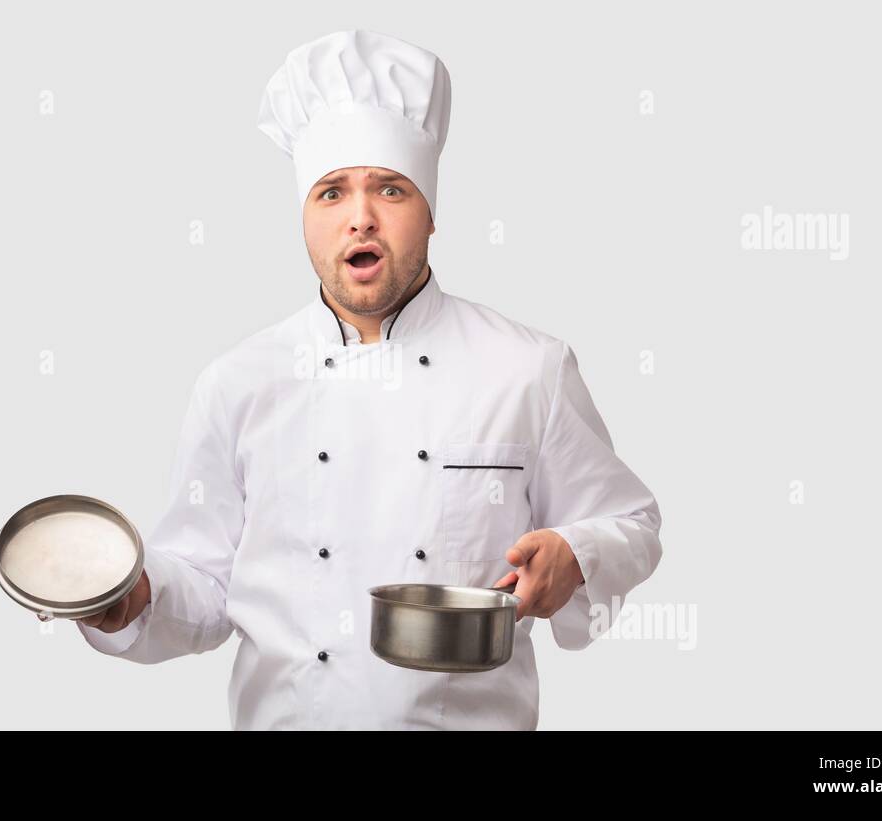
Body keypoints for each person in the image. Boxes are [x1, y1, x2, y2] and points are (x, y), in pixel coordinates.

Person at [76, 29, 663, 730]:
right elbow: (203, 587)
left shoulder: (527, 369)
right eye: (331, 192)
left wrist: (578, 553)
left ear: (432, 211)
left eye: (390, 188)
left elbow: (634, 523)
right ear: (305, 219)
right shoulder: (237, 383)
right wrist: (131, 597)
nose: (360, 216)